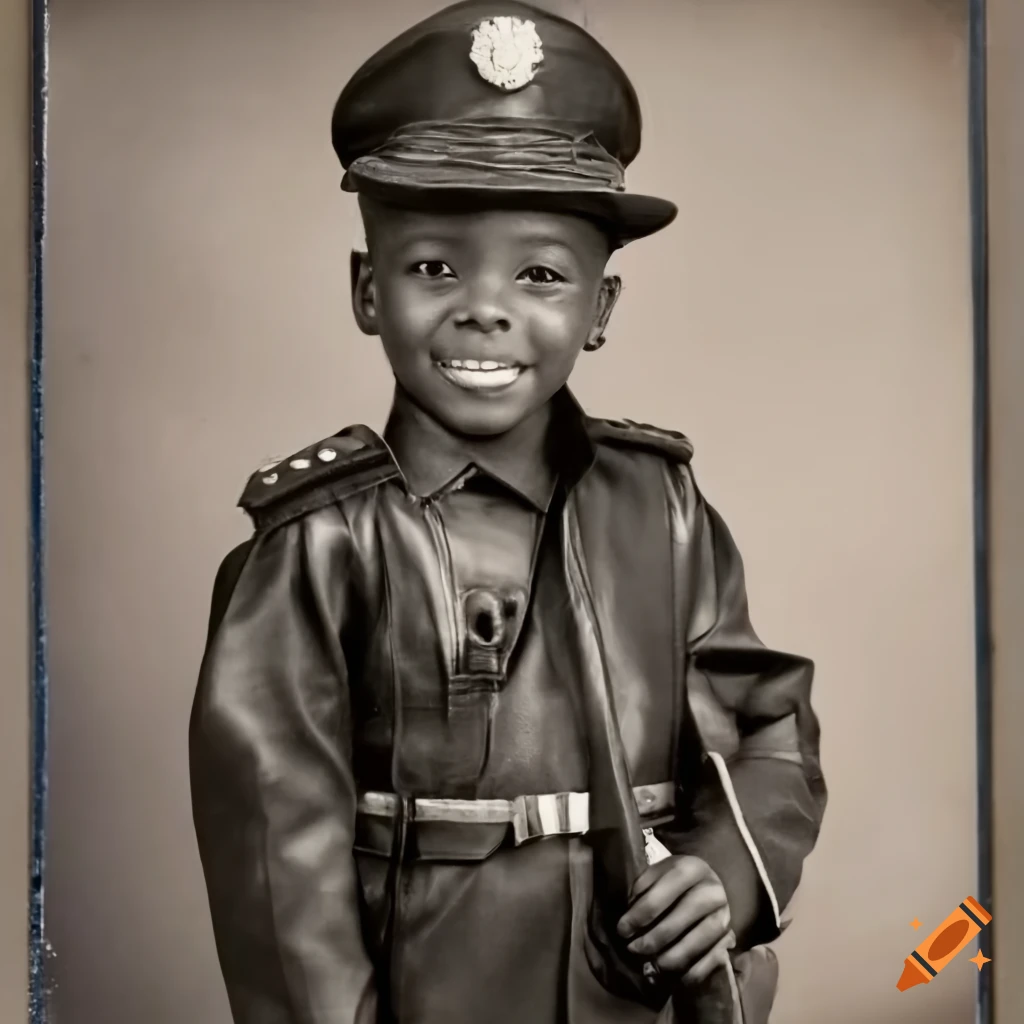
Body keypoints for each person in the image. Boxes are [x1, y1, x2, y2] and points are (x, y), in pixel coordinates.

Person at [188, 3, 826, 1023]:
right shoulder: (317, 544)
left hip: (638, 993)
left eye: (539, 273)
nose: (485, 307)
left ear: (600, 310)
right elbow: (279, 872)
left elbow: (766, 727)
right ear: (366, 289)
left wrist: (729, 872)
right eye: (433, 265)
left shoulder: (658, 507)